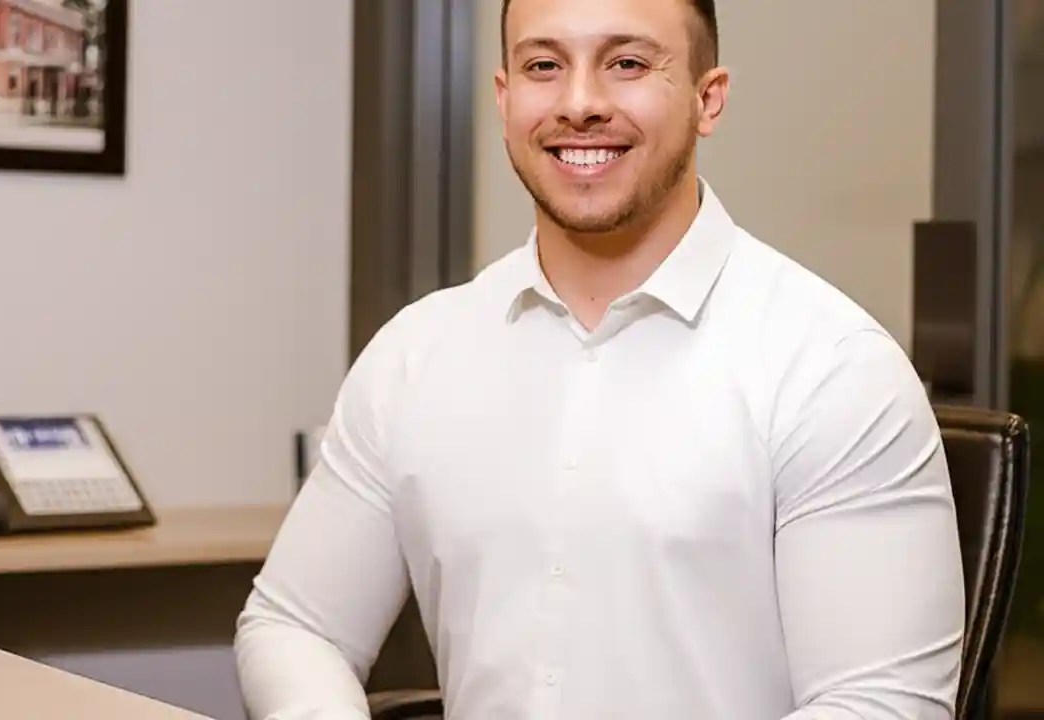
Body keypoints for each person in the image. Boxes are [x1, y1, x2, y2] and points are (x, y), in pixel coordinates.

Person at [235, 0, 966, 717]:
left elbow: (880, 705)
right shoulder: (415, 356)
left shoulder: (833, 369)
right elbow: (297, 625)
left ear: (708, 100)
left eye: (628, 63)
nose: (580, 103)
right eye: (544, 66)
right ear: (505, 99)